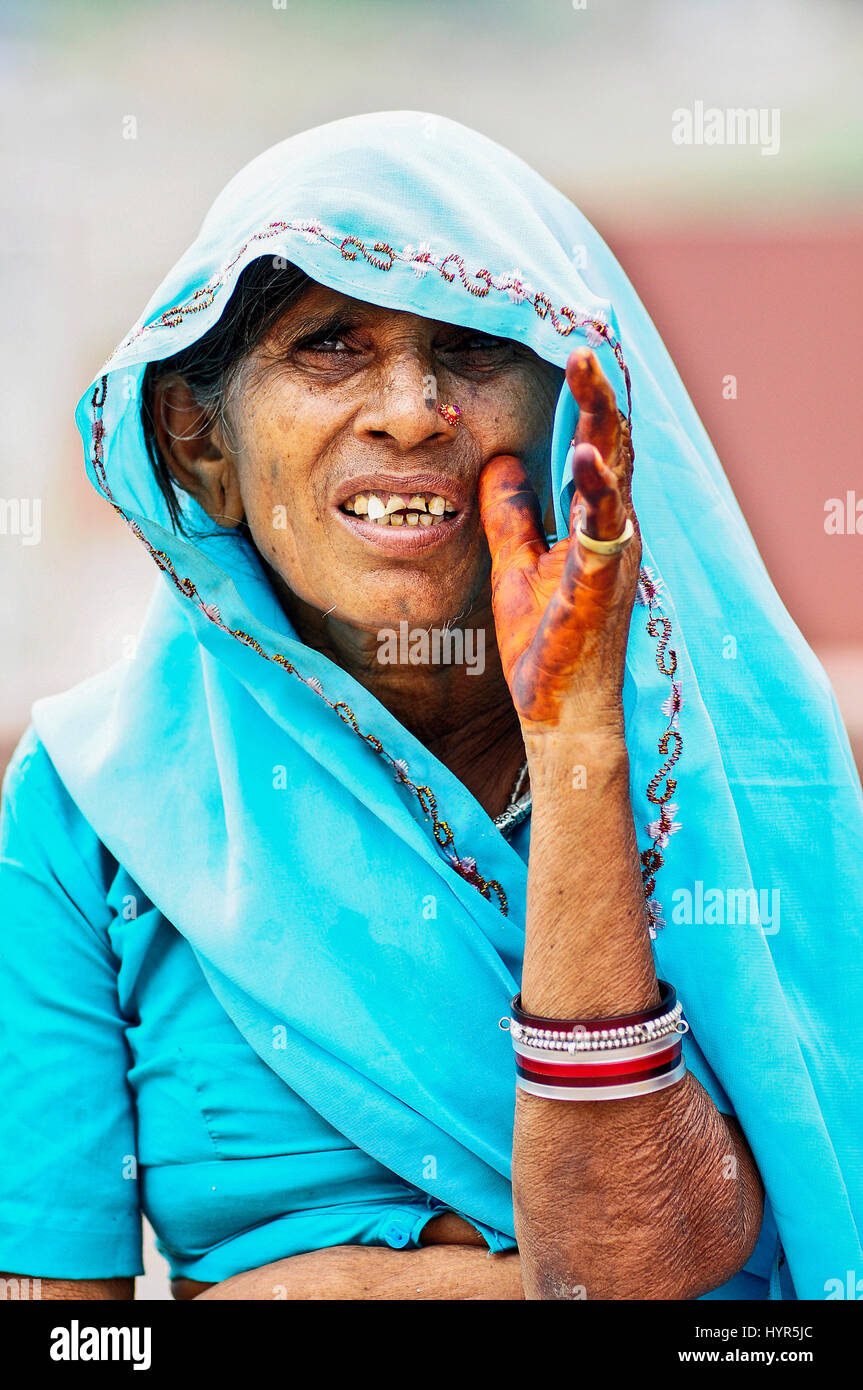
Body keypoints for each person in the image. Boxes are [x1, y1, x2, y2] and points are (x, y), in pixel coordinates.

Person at [1, 111, 861, 1301]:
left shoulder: (726, 786)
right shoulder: (91, 804)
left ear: (571, 415)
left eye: (470, 349)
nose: (410, 409)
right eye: (330, 347)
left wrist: (574, 747)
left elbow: (636, 1274)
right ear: (201, 444)